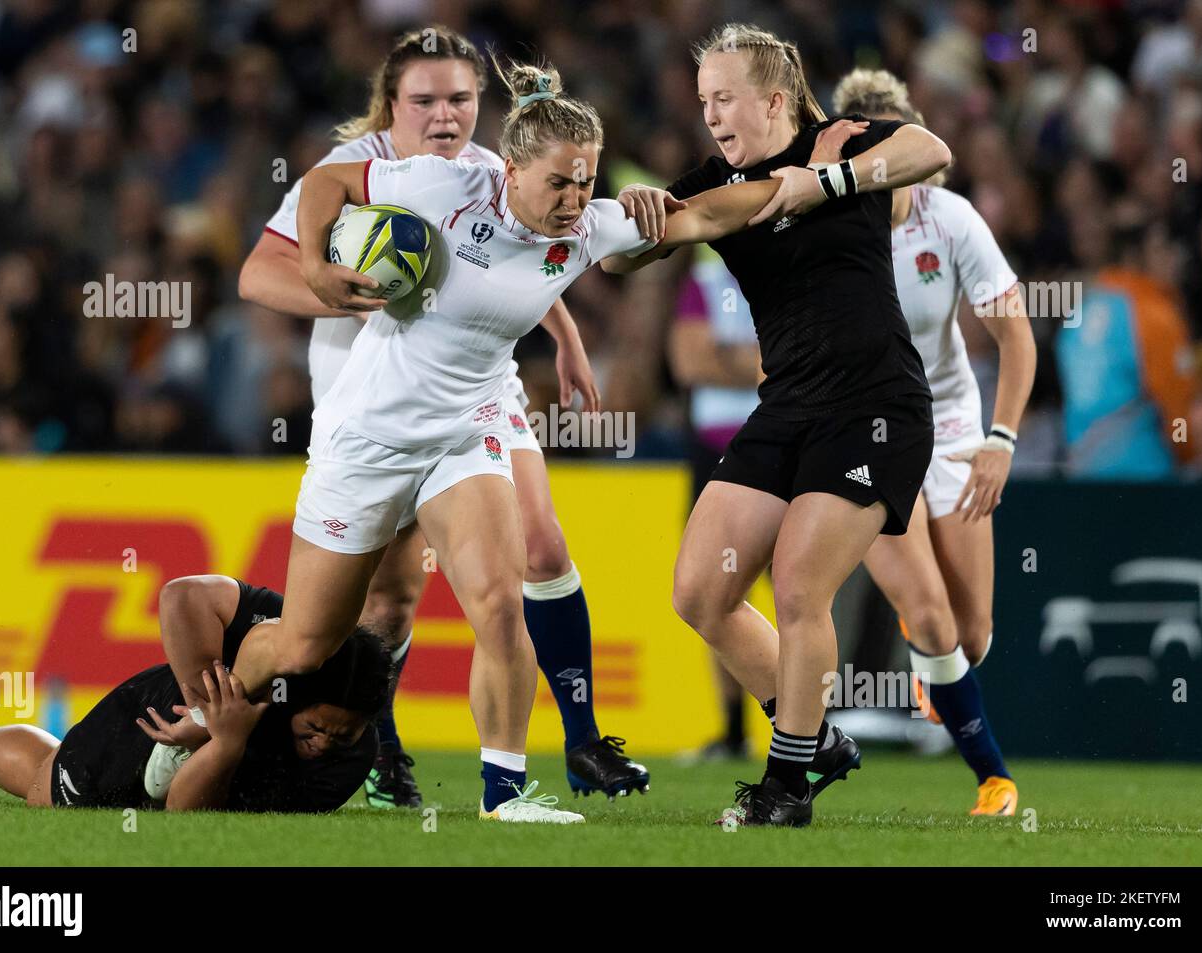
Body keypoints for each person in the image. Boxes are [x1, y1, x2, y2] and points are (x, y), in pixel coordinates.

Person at [228, 54, 789, 824]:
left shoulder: (590, 228)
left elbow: (713, 215)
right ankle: (201, 707)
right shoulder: (438, 185)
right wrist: (322, 266)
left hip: (464, 433)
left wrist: (813, 183)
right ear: (512, 168)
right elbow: (329, 183)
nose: (574, 199)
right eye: (559, 182)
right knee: (302, 646)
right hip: (367, 439)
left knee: (500, 601)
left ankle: (504, 793)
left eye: (586, 181)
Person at [238, 27, 647, 807]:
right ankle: (379, 749)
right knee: (383, 603)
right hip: (372, 395)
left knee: (536, 548)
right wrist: (340, 290)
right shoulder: (365, 175)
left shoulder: (504, 171)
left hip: (476, 394)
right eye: (424, 100)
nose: (445, 115)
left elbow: (533, 259)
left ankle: (567, 748)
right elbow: (258, 275)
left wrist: (567, 339)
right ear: (389, 106)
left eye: (461, 98)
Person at [607, 23, 951, 827]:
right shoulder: (714, 180)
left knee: (800, 587)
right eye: (703, 103)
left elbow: (931, 151)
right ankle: (817, 740)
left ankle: (786, 786)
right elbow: (628, 256)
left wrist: (827, 183)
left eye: (723, 99)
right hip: (788, 406)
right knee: (700, 591)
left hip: (875, 407)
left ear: (773, 97)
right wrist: (636, 217)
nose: (712, 116)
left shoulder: (844, 137)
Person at [831, 68, 1038, 815]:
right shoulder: (831, 230)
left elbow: (1016, 337)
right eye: (873, 144)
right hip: (864, 433)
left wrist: (1003, 439)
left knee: (971, 633)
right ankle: (994, 777)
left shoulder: (950, 220)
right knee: (930, 614)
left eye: (900, 141)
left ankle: (940, 671)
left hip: (949, 425)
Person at [0, 575, 391, 812]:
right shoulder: (297, 638)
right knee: (51, 796)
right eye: (315, 728)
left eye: (342, 736)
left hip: (212, 761)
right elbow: (182, 595)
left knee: (62, 780)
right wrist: (203, 710)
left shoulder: (346, 763)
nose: (323, 745)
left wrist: (225, 744)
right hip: (159, 711)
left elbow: (186, 810)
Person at [668, 256, 760, 761]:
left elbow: (807, 362)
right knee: (716, 592)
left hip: (779, 445)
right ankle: (734, 732)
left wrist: (726, 356)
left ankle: (811, 725)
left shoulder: (788, 271)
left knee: (799, 590)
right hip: (714, 454)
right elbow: (688, 362)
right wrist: (762, 365)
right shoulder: (705, 281)